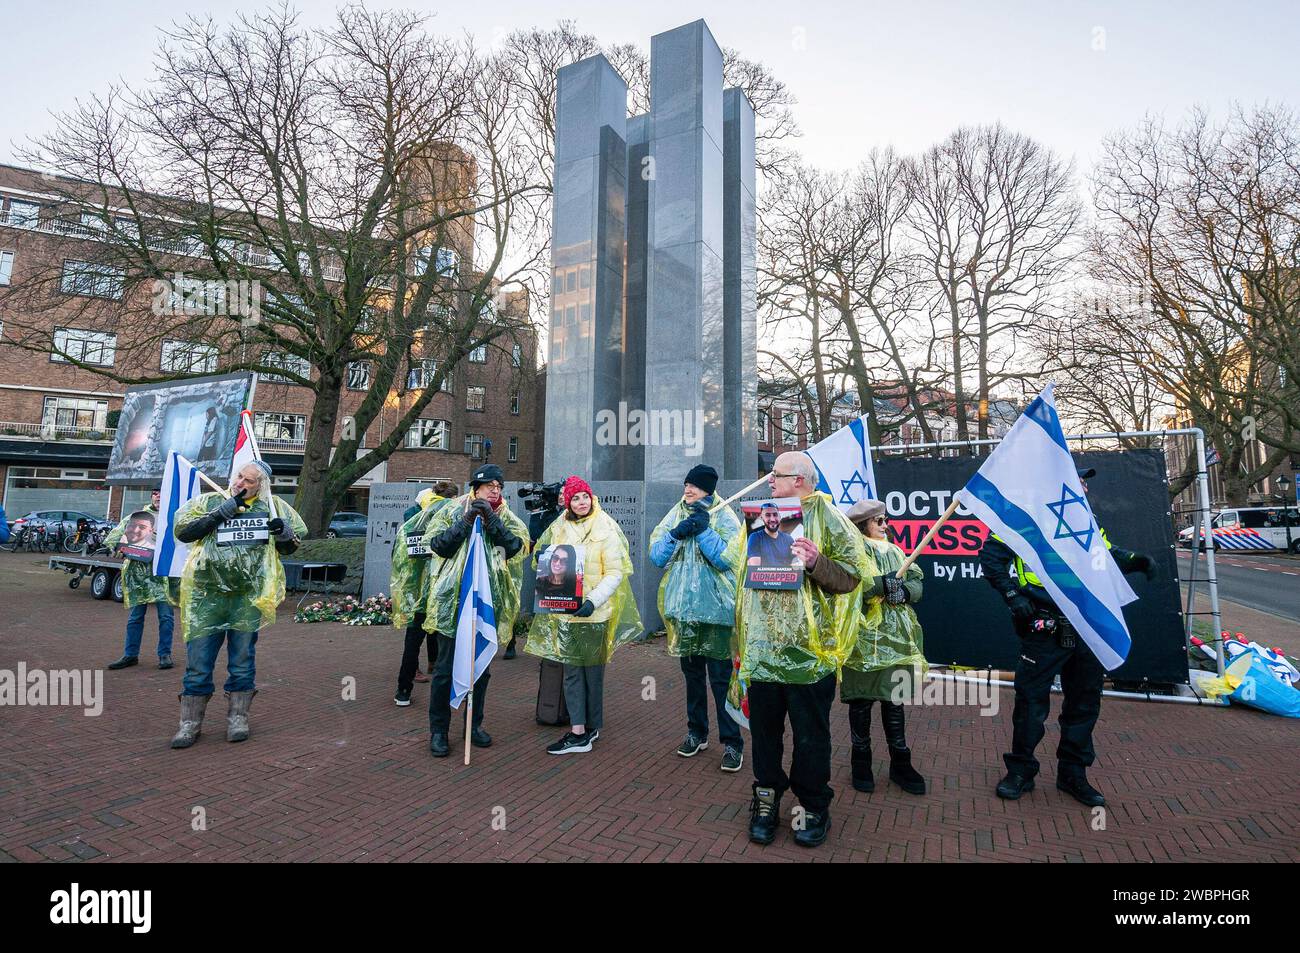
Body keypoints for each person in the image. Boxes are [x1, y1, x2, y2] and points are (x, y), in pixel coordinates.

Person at [980, 465, 1156, 807]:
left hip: (1087, 626)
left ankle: (1073, 774)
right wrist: (1013, 596)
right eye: (1078, 482)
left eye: (1085, 483)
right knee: (1031, 704)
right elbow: (990, 558)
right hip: (1044, 627)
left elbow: (1107, 556)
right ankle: (1021, 772)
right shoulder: (1024, 520)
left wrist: (1135, 561)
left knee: (1085, 702)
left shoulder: (1085, 523)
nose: (1085, 487)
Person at [737, 451, 871, 848]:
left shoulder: (830, 519)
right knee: (763, 734)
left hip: (810, 654)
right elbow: (741, 580)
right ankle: (766, 799)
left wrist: (816, 562)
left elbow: (852, 577)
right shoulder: (758, 517)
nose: (769, 481)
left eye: (775, 475)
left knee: (811, 736)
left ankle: (813, 805)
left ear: (799, 480)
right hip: (763, 649)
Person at [169, 461, 306, 748]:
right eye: (239, 476)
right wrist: (222, 512)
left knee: (242, 660)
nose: (240, 483)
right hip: (206, 596)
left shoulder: (273, 506)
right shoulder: (211, 499)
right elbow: (183, 532)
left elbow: (290, 545)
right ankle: (189, 723)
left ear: (262, 486)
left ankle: (238, 718)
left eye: (249, 481)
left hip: (246, 597)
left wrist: (282, 533)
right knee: (198, 660)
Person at [527, 476, 642, 755]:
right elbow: (549, 562)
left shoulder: (605, 527)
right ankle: (579, 730)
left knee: (592, 673)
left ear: (592, 498)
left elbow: (615, 572)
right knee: (571, 673)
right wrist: (544, 562)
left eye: (585, 497)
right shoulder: (560, 527)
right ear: (567, 502)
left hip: (594, 614)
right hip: (565, 613)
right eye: (575, 498)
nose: (581, 502)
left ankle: (592, 727)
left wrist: (592, 601)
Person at [421, 465, 529, 757]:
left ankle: (473, 725)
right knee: (444, 669)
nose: (495, 490)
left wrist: (492, 520)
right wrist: (467, 521)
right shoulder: (452, 510)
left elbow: (517, 546)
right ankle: (439, 731)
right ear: (475, 488)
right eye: (489, 485)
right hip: (452, 602)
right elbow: (438, 545)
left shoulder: (507, 515)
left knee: (480, 669)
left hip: (486, 604)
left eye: (499, 486)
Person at [648, 464, 746, 772]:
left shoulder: (725, 515)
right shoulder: (676, 514)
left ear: (710, 490)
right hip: (684, 612)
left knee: (720, 680)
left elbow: (728, 559)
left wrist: (703, 531)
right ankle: (696, 732)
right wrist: (677, 534)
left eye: (695, 486)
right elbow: (656, 556)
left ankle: (732, 743)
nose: (688, 489)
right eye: (687, 484)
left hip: (716, 614)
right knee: (692, 678)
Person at [842, 499, 927, 795]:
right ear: (863, 523)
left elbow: (916, 582)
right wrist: (880, 585)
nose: (885, 526)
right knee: (862, 701)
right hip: (863, 636)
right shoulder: (852, 549)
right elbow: (850, 584)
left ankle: (900, 762)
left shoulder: (895, 550)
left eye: (885, 520)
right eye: (879, 521)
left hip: (897, 638)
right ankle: (860, 761)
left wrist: (902, 591)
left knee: (895, 700)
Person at [390, 481, 459, 706]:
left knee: (412, 642)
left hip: (419, 591)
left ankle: (403, 690)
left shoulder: (415, 519)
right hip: (444, 591)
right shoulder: (455, 515)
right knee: (445, 643)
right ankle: (448, 694)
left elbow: (400, 556)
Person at [106, 489, 176, 671]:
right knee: (135, 617)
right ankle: (130, 655)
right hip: (138, 575)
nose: (159, 495)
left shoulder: (173, 517)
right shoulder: (138, 516)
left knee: (166, 617)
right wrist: (118, 546)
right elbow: (115, 536)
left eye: (162, 491)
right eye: (155, 492)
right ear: (151, 496)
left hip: (162, 575)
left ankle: (164, 654)